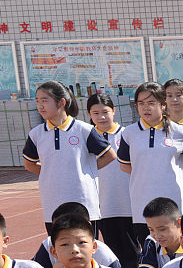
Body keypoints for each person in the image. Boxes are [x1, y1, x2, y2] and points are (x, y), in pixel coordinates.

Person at [22, 80, 115, 235]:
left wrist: (83, 170)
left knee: (87, 246)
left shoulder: (83, 130)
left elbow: (109, 155)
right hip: (52, 201)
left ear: (61, 102)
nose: (40, 106)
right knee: (59, 247)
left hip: (83, 200)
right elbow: (29, 164)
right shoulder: (36, 134)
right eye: (37, 101)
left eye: (45, 101)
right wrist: (53, 173)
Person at [116, 81, 183, 243]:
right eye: (141, 103)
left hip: (176, 203)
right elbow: (125, 165)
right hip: (142, 204)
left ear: (163, 105)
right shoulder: (129, 133)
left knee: (179, 249)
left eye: (151, 103)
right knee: (149, 250)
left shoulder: (180, 131)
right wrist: (147, 174)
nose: (146, 108)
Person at [87, 93, 138, 268]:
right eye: (95, 113)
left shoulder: (126, 134)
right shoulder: (88, 137)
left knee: (133, 250)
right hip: (103, 205)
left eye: (105, 112)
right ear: (89, 114)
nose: (101, 117)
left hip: (128, 203)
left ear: (114, 111)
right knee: (110, 250)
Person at [33, 201, 122, 268]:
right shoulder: (48, 245)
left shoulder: (104, 255)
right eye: (65, 244)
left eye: (81, 243)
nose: (74, 250)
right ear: (54, 251)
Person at [134, 197, 183, 268]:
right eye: (151, 229)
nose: (157, 235)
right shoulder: (152, 241)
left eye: (162, 229)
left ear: (178, 223)